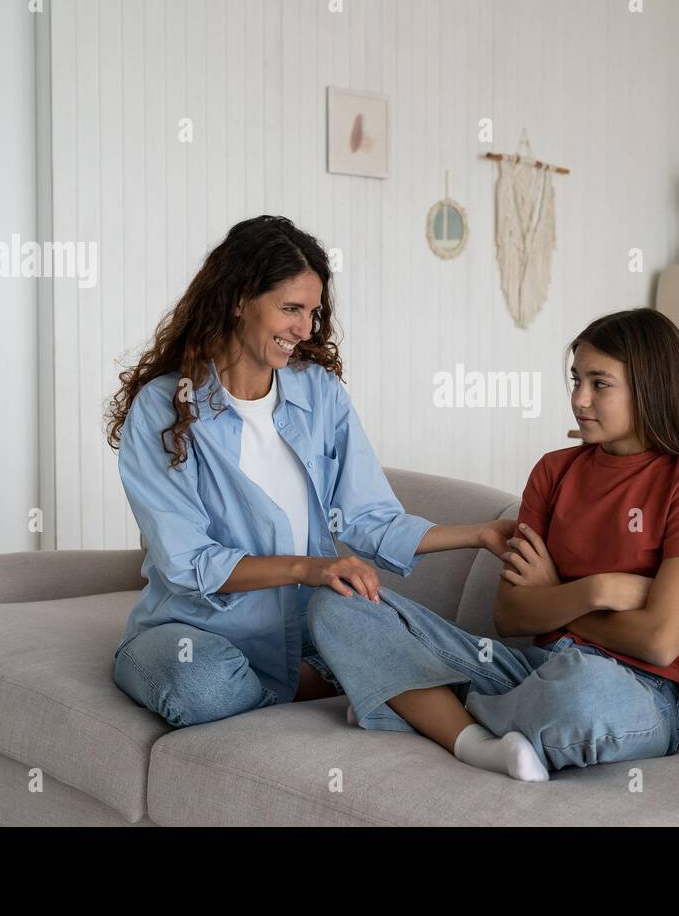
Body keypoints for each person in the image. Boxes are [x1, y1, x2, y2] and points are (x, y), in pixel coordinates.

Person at [104, 214, 514, 728]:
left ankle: (310, 679)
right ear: (237, 299)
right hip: (194, 631)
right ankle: (320, 685)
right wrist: (309, 567)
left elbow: (368, 517)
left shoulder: (319, 394)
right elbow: (190, 564)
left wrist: (479, 533)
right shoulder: (165, 409)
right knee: (200, 683)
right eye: (290, 308)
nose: (303, 329)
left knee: (381, 628)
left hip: (301, 635)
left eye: (312, 312)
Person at [308, 308, 679, 781]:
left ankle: (414, 706)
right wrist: (595, 591)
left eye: (600, 384)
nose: (579, 399)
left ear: (651, 386)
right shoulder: (554, 471)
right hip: (528, 671)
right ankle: (448, 719)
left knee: (581, 693)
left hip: (636, 691)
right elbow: (510, 616)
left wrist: (556, 595)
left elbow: (659, 642)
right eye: (576, 380)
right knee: (338, 602)